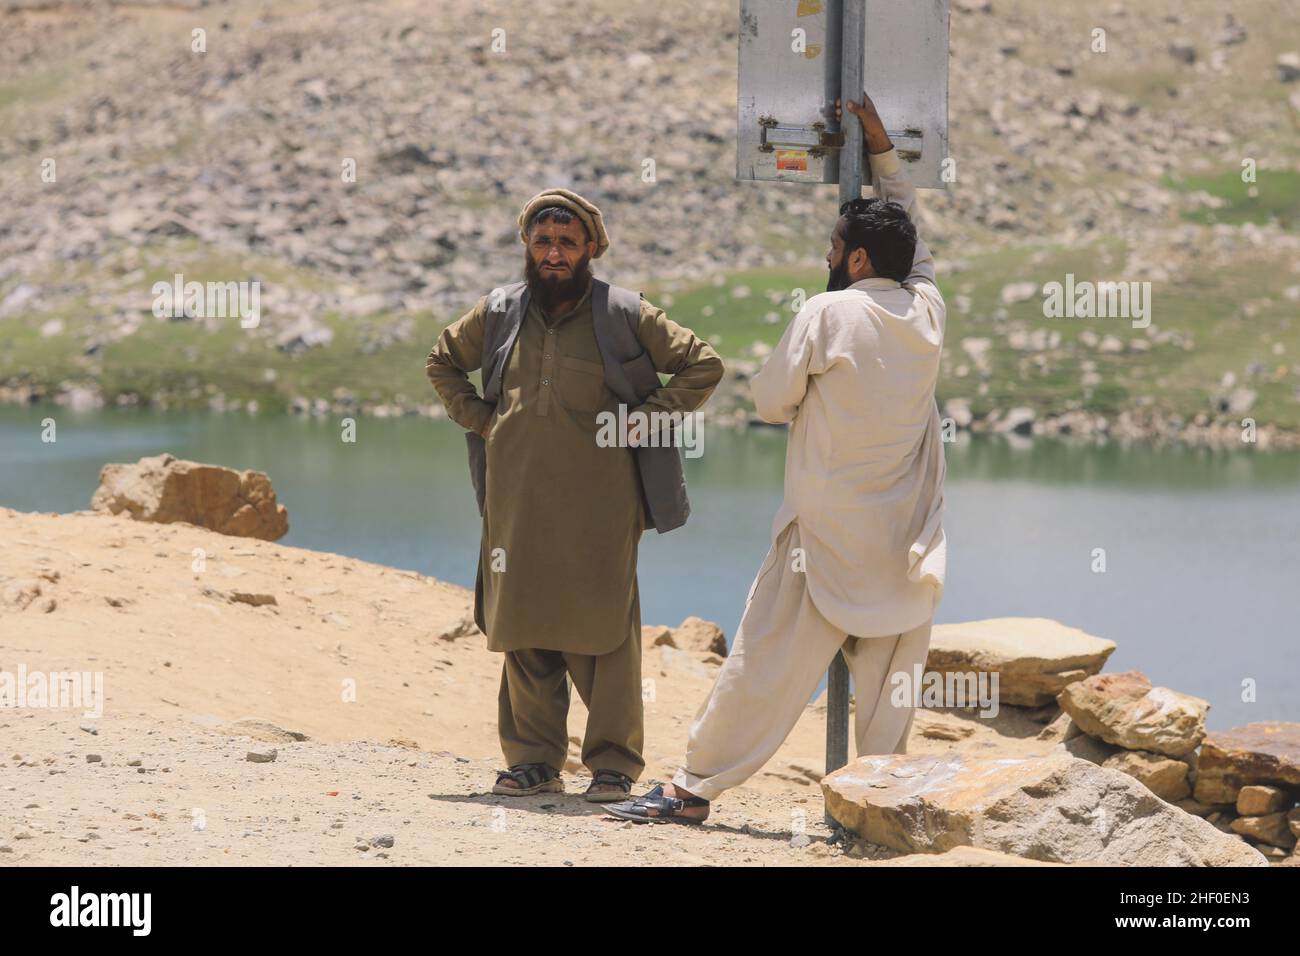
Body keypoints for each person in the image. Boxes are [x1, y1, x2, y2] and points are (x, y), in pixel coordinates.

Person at [607, 92, 947, 824]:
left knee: (761, 667)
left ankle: (690, 789)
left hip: (821, 538)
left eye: (833, 247)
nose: (827, 257)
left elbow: (769, 400)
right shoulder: (927, 310)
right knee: (889, 698)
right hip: (903, 542)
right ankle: (876, 815)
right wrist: (881, 150)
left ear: (855, 258)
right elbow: (909, 231)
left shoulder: (829, 312)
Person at [425, 188, 724, 802]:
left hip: (603, 505)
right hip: (516, 501)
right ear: (527, 249)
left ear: (591, 248)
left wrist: (649, 417)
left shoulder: (623, 312)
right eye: (542, 242)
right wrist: (481, 418)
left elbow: (703, 365)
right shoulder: (500, 311)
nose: (553, 253)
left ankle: (613, 766)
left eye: (566, 242)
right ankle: (533, 761)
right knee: (524, 623)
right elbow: (441, 362)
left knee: (604, 629)